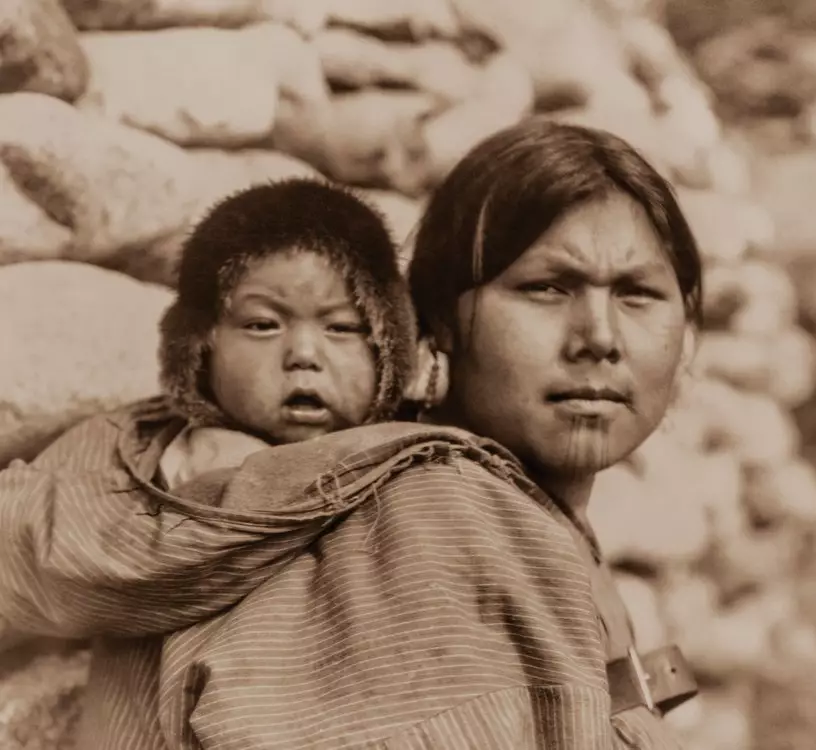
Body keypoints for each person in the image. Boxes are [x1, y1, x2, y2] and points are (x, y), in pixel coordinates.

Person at [153, 118, 703, 749]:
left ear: (685, 331)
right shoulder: (432, 517)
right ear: (437, 322)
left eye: (637, 294)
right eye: (546, 288)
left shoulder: (532, 516)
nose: (600, 338)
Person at [0, 178, 419, 749]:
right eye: (262, 324)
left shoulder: (417, 468)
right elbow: (16, 543)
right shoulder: (136, 448)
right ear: (200, 346)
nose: (303, 354)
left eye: (342, 327)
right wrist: (199, 490)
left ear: (389, 350)